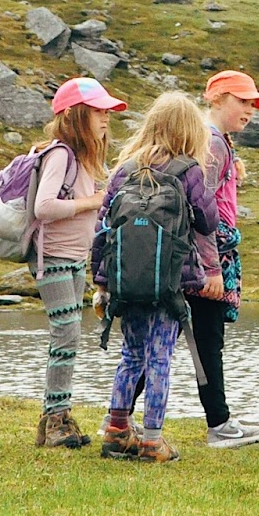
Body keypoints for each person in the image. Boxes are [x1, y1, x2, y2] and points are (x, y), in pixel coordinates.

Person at [89, 92, 219, 463]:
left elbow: (104, 228)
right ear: (191, 131)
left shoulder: (125, 169)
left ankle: (116, 431)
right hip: (169, 284)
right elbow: (208, 220)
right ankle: (152, 440)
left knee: (131, 354)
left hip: (125, 281)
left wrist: (101, 281)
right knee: (159, 357)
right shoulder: (188, 170)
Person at [32, 75, 126, 449]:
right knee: (66, 333)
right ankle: (55, 420)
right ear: (75, 116)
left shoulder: (82, 159)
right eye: (98, 112)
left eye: (107, 112)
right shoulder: (60, 155)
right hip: (52, 256)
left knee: (68, 334)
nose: (105, 119)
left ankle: (57, 417)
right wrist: (95, 201)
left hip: (72, 257)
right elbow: (44, 207)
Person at [189, 69, 259, 447]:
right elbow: (201, 207)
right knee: (205, 338)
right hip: (205, 258)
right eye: (242, 101)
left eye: (253, 103)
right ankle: (219, 425)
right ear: (217, 98)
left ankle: (119, 417)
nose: (250, 110)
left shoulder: (215, 141)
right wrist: (210, 266)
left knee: (183, 337)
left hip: (199, 255)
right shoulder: (213, 143)